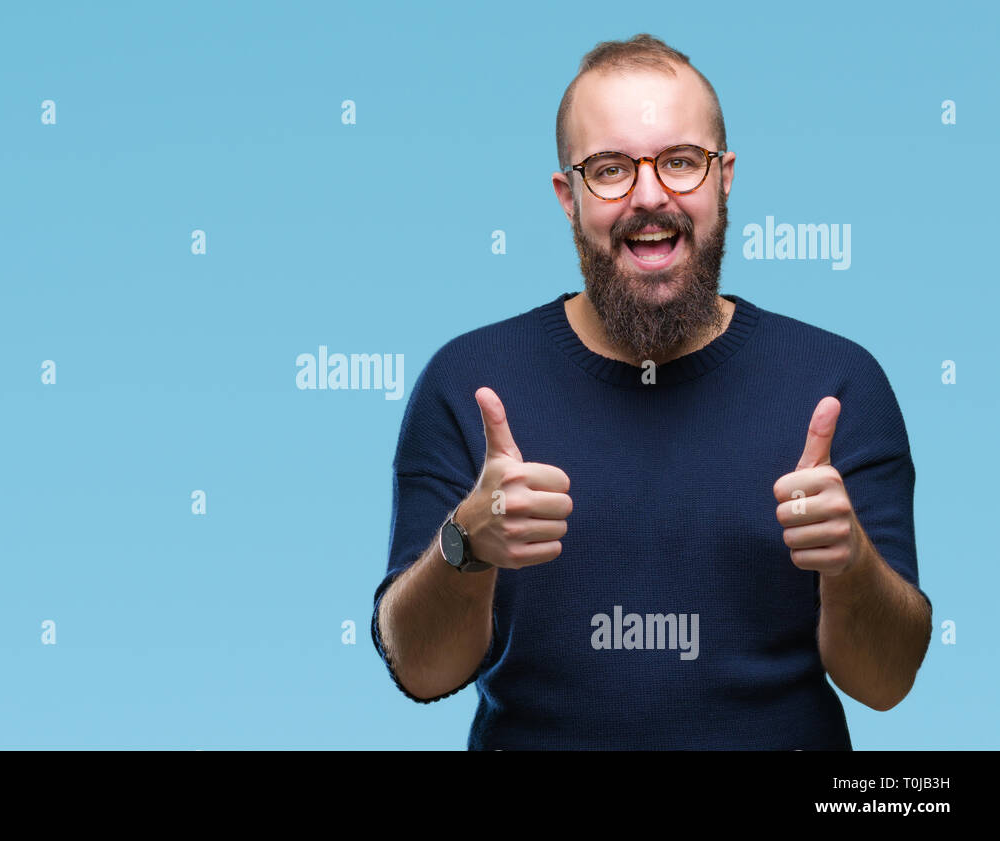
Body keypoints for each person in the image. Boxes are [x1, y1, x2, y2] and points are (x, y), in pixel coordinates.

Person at [371, 34, 932, 750]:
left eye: (680, 162)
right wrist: (465, 545)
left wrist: (851, 560)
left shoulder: (838, 382)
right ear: (566, 196)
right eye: (608, 169)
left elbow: (885, 682)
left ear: (724, 177)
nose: (648, 195)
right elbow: (420, 671)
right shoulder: (469, 381)